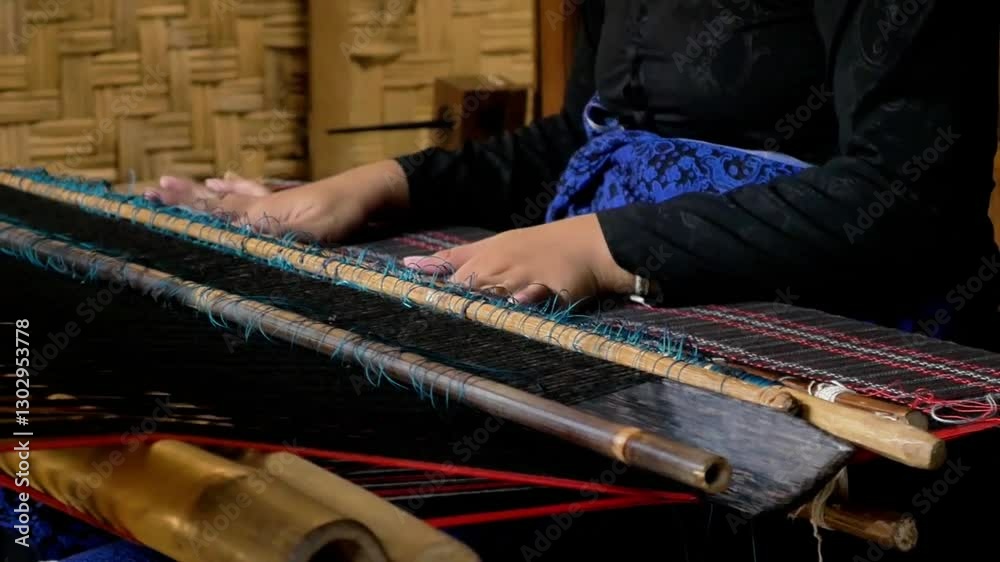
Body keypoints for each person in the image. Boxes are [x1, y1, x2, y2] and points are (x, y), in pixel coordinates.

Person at [145, 1, 1000, 350]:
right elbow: (588, 141)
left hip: (841, 330)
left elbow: (907, 192)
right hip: (633, 309)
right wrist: (385, 184)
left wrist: (604, 245)